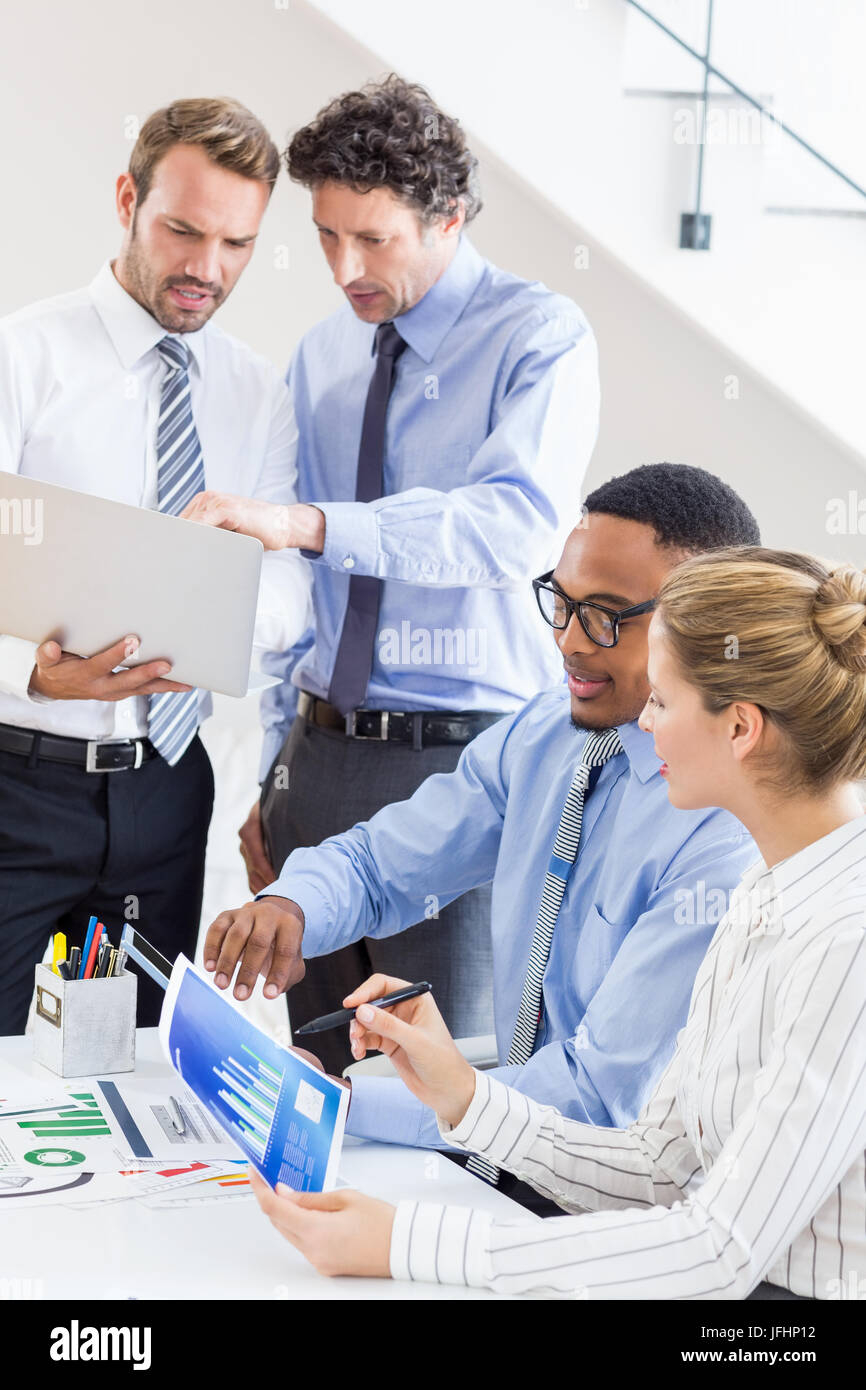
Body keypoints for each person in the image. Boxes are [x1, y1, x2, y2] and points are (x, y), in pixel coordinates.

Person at [249, 545, 866, 1300]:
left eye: (663, 702)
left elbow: (718, 1249)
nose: (644, 721)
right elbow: (656, 1168)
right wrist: (464, 1099)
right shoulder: (765, 896)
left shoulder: (846, 938)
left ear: (739, 728)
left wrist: (409, 1241)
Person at [180, 74, 600, 1072]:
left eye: (373, 239)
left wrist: (304, 523)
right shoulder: (323, 354)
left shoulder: (538, 339)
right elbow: (314, 601)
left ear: (449, 216)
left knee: (444, 1095)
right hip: (318, 764)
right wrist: (279, 769)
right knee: (319, 1083)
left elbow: (510, 530)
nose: (343, 265)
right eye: (326, 235)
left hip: (462, 769)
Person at [204, 465, 760, 1203]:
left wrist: (344, 1101)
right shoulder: (543, 734)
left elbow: (594, 1097)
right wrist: (292, 906)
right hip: (508, 1157)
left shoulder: (724, 831)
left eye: (605, 615)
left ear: (705, 624)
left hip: (626, 1205)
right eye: (560, 603)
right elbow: (384, 864)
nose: (568, 641)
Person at [0, 97, 309, 1032]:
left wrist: (202, 634)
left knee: (132, 1058)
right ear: (128, 199)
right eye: (182, 231)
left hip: (166, 784)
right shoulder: (23, 357)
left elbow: (287, 591)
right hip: (18, 778)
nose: (205, 270)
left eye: (237, 244)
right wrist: (32, 671)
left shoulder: (258, 392)